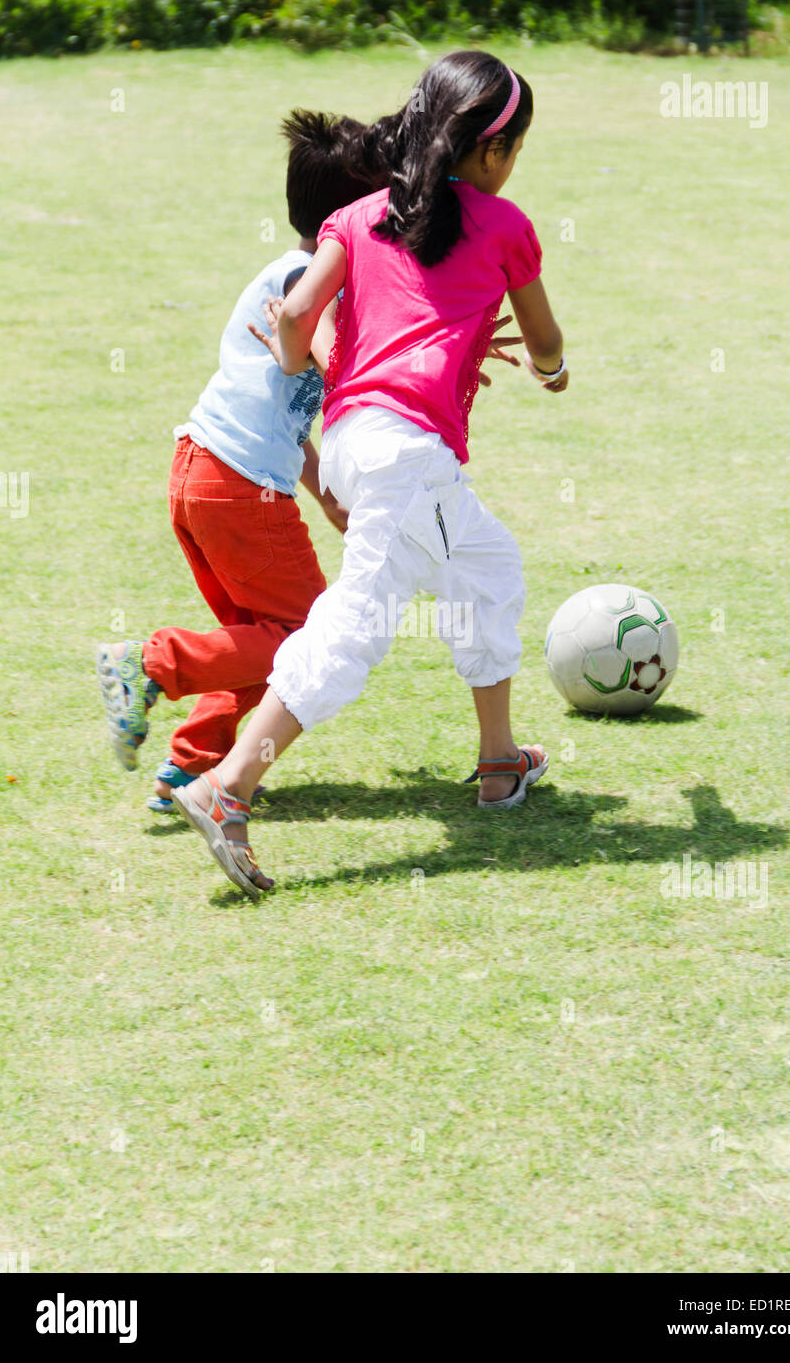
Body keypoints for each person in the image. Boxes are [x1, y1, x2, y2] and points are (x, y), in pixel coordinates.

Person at [173, 50, 569, 897]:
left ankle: (500, 762)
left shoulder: (357, 217)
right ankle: (228, 785)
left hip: (356, 444)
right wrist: (554, 371)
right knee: (352, 628)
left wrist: (289, 338)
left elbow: (299, 327)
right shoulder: (504, 225)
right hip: (408, 456)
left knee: (489, 565)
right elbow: (544, 342)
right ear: (495, 153)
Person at [95, 112, 376, 811]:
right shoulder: (314, 286)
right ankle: (151, 663)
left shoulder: (284, 272)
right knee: (306, 635)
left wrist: (320, 489)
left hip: (201, 471)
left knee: (256, 637)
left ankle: (188, 767)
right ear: (351, 220)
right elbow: (334, 369)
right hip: (239, 490)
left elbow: (278, 408)